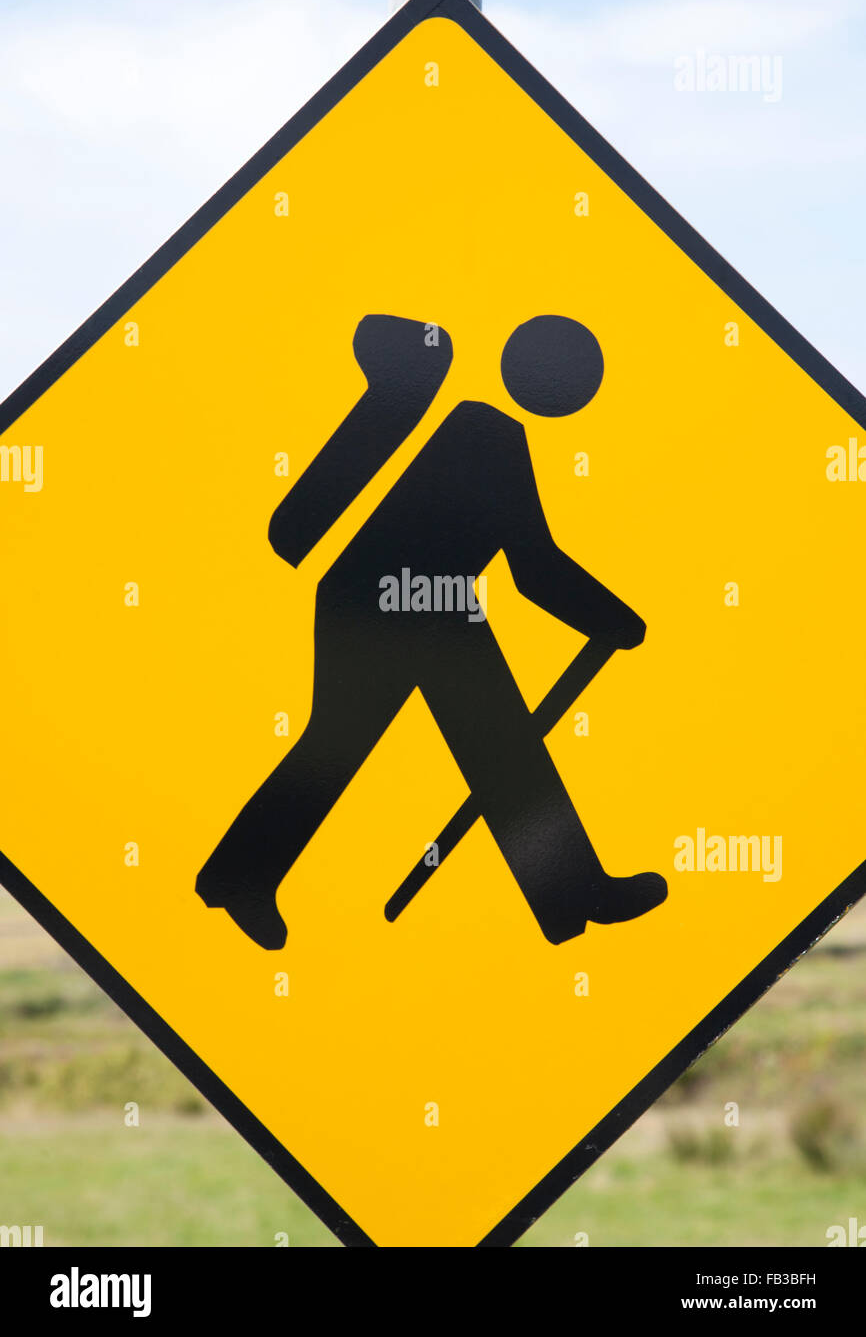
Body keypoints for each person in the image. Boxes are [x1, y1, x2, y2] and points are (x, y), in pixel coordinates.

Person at [196, 314, 667, 948]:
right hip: (393, 601)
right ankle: (572, 898)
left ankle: (572, 898)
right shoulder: (487, 432)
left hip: (417, 603)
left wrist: (607, 617)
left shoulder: (481, 427)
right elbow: (533, 567)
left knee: (487, 747)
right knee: (365, 745)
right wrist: (612, 617)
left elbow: (530, 565)